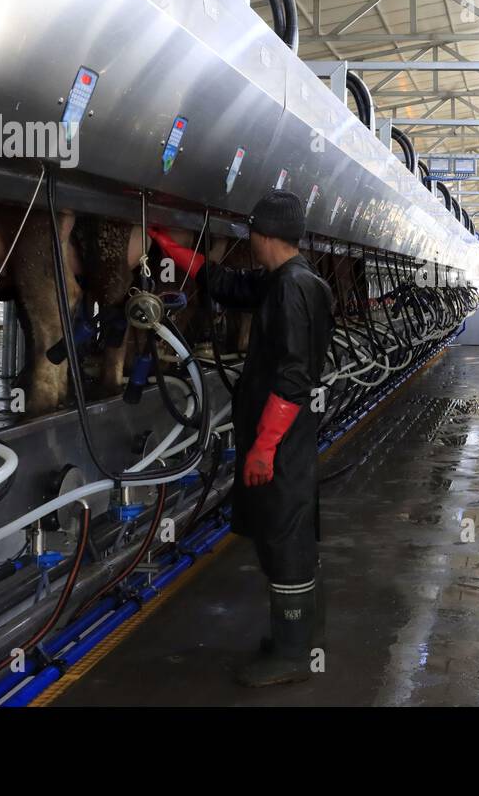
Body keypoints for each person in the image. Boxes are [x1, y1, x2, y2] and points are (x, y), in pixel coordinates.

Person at [149, 189, 334, 687]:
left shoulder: (294, 288)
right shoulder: (288, 280)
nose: (248, 240)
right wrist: (168, 244)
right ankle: (291, 639)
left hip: (283, 441)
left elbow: (294, 377)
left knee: (285, 535)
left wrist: (263, 446)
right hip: (282, 436)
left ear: (263, 234)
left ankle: (294, 653)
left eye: (251, 231)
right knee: (281, 534)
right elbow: (227, 285)